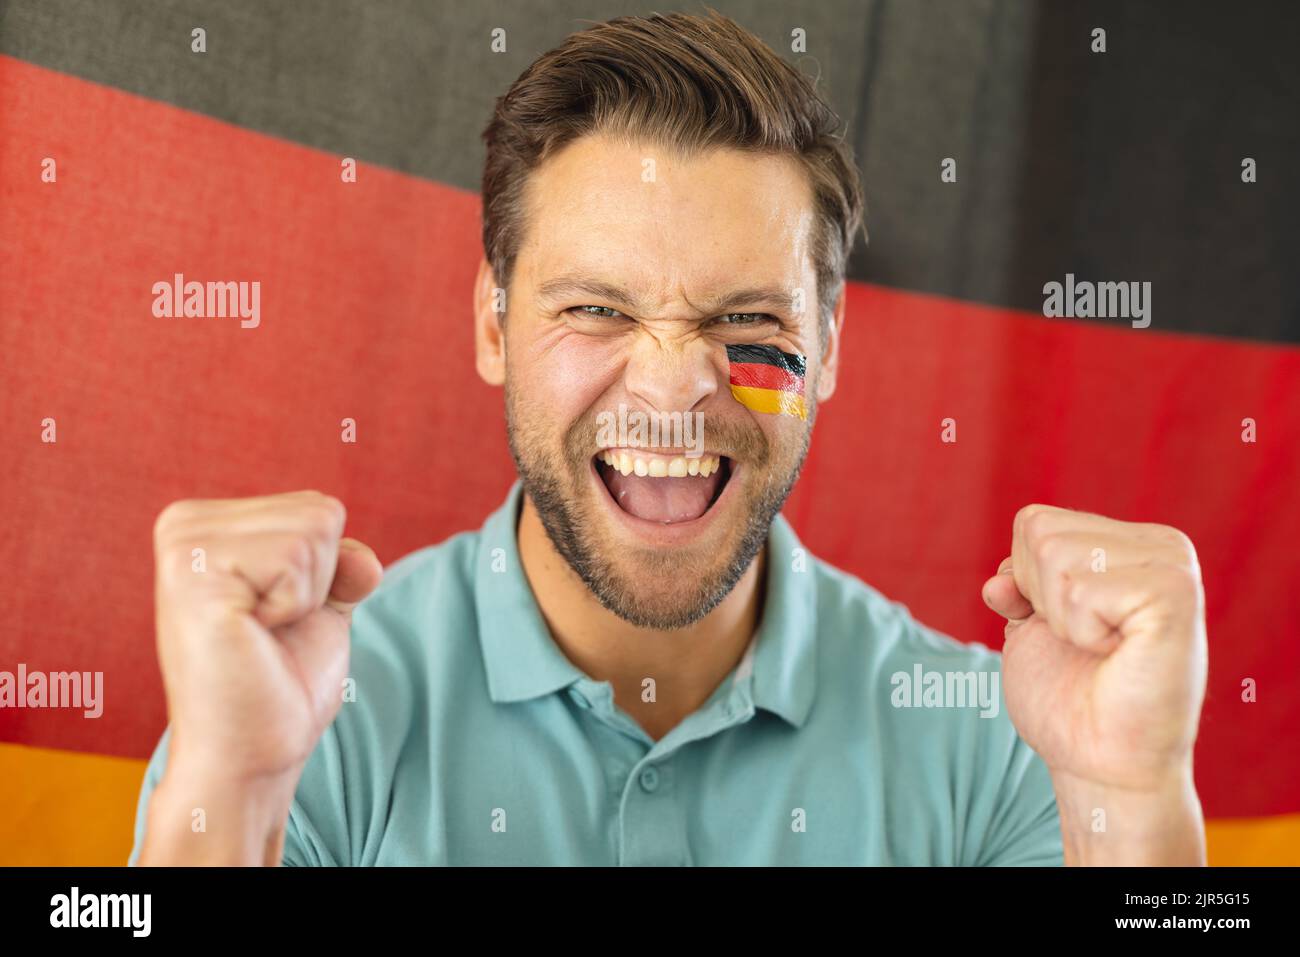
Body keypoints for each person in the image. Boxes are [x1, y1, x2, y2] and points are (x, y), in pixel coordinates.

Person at [130, 11, 1207, 866]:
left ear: (826, 351)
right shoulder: (301, 712)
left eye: (747, 323)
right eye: (596, 308)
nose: (673, 387)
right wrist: (228, 799)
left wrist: (1131, 803)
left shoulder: (1002, 742)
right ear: (493, 325)